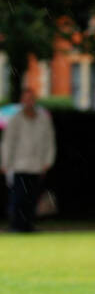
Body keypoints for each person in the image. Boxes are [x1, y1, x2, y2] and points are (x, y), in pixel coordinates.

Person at [1, 87, 56, 233]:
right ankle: (16, 226)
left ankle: (28, 226)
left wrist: (47, 161)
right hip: (18, 165)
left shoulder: (43, 119)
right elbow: (8, 143)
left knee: (32, 198)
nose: (28, 102)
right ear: (22, 101)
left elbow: (49, 141)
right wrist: (5, 163)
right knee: (18, 198)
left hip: (37, 166)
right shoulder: (15, 120)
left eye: (31, 99)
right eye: (26, 99)